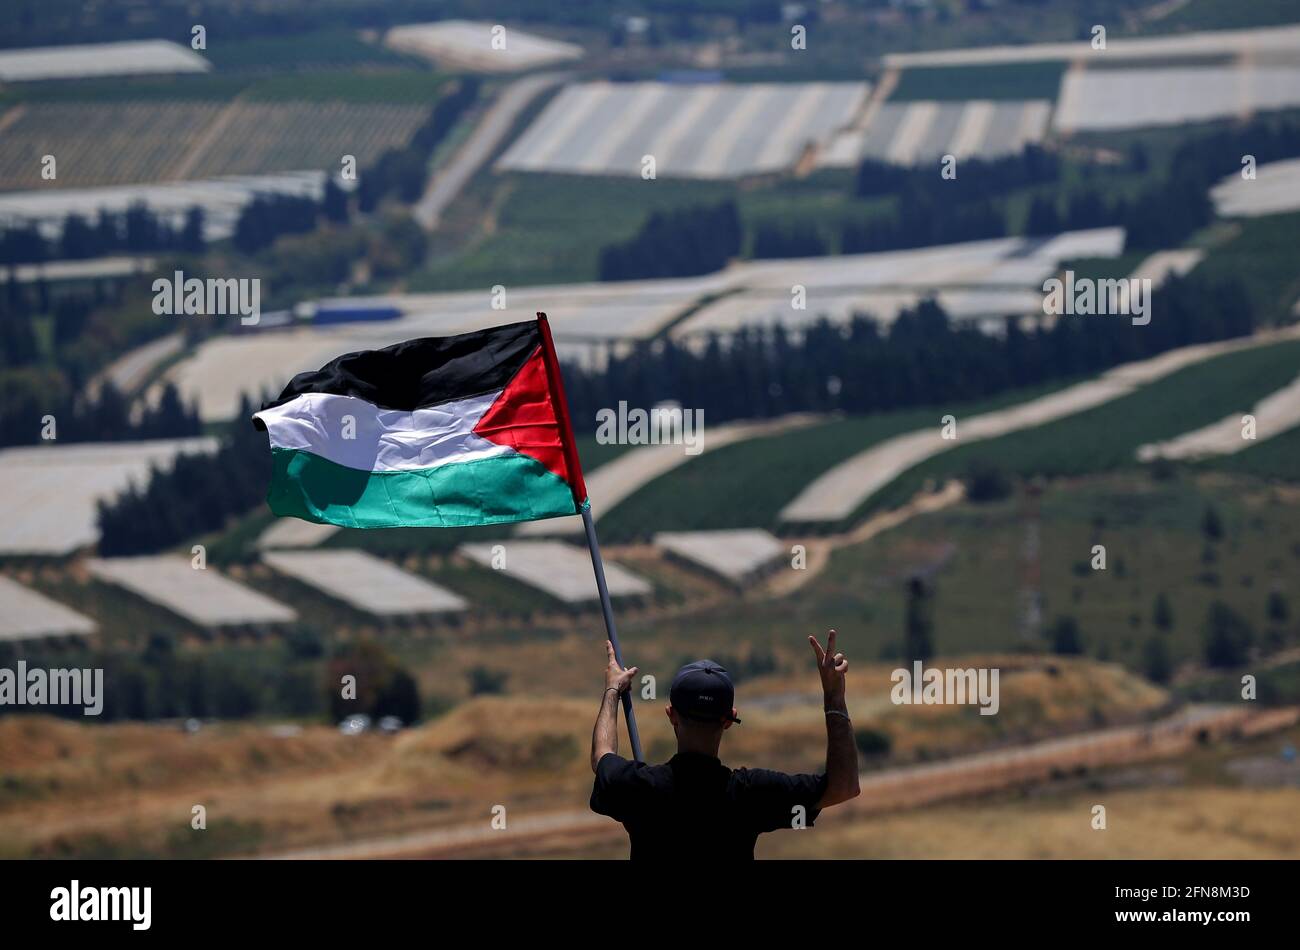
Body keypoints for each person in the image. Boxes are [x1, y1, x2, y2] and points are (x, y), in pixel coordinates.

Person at [589, 630, 859, 859]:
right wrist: (834, 696)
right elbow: (843, 787)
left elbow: (602, 755)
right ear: (729, 719)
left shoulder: (640, 787)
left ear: (672, 715)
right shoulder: (751, 795)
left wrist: (613, 690)